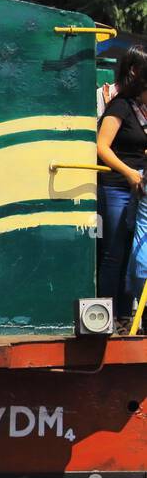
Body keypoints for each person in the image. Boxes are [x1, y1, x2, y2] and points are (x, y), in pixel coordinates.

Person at [97, 43, 147, 325]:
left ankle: (128, 314)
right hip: (117, 184)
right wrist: (129, 172)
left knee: (134, 252)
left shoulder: (143, 109)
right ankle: (107, 315)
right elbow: (102, 147)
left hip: (141, 188)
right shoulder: (121, 106)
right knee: (114, 252)